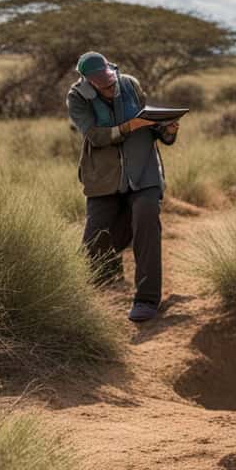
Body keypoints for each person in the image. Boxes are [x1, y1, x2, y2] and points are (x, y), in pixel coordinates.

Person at [67, 51, 179, 323]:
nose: (109, 85)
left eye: (110, 78)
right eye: (101, 83)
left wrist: (168, 131)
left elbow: (150, 126)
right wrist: (130, 126)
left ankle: (146, 300)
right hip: (103, 178)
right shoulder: (76, 98)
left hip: (144, 172)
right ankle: (106, 275)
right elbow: (95, 136)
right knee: (95, 239)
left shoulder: (130, 83)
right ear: (86, 82)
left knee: (146, 221)